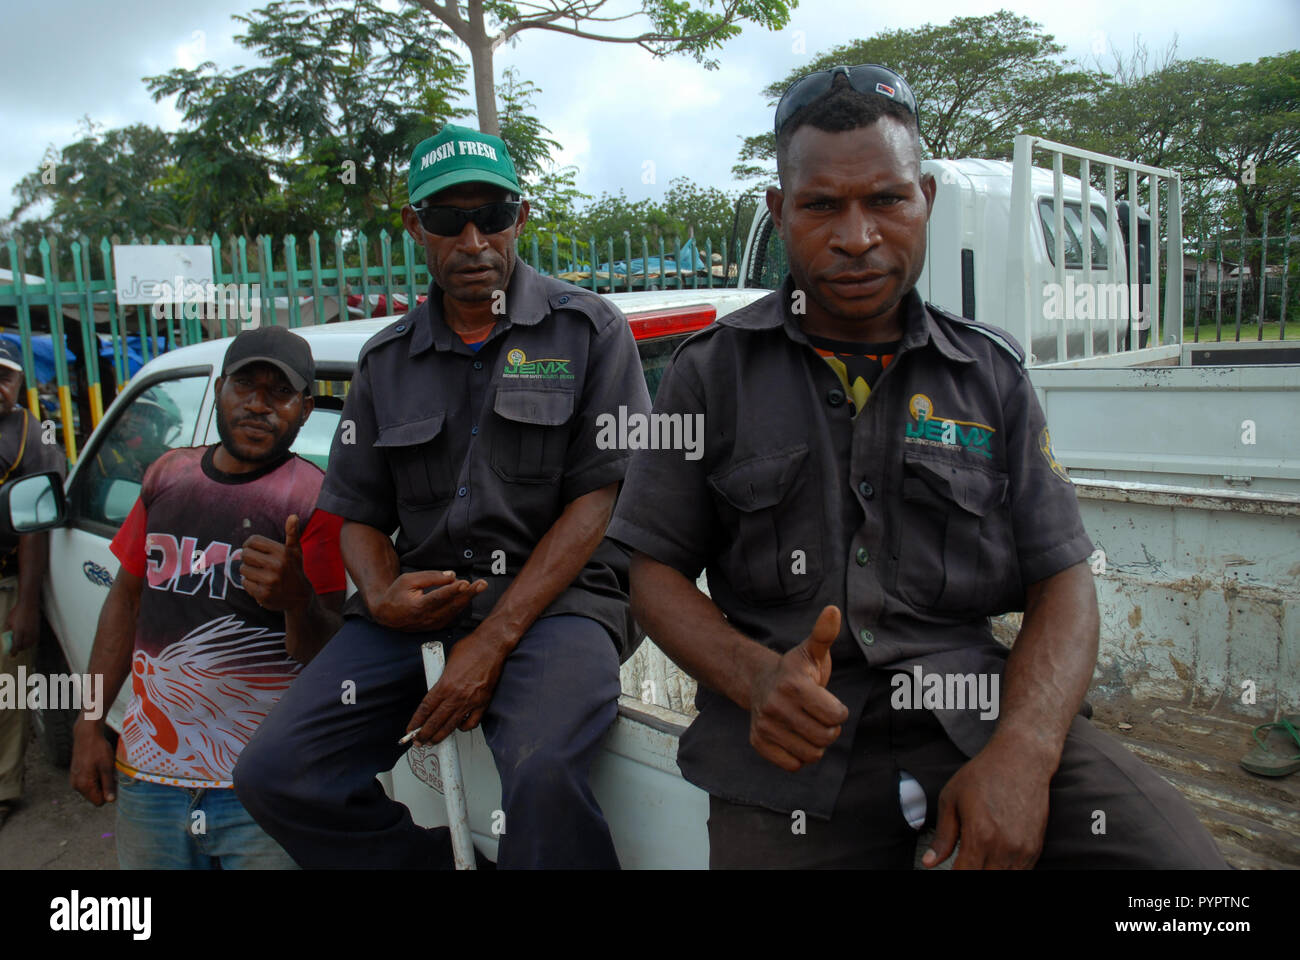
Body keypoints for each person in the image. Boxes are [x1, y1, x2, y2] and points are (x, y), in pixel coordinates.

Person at [607, 64, 1228, 869]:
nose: (857, 236)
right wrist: (753, 676)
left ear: (925, 199)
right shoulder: (710, 374)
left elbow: (1063, 579)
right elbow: (650, 568)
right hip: (790, 755)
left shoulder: (990, 375)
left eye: (887, 200)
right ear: (779, 212)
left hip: (976, 722)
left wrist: (1026, 755)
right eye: (822, 205)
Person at [233, 123, 651, 869]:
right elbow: (356, 510)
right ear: (413, 227)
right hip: (415, 612)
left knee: (544, 772)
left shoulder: (588, 331)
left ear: (521, 217)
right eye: (445, 219)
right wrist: (383, 590)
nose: (471, 239)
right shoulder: (386, 358)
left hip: (558, 608)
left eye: (490, 216)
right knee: (276, 774)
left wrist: (492, 640)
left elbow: (602, 500)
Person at [69, 326, 346, 868]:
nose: (259, 405)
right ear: (219, 389)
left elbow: (328, 657)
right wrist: (88, 723)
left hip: (259, 787)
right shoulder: (166, 477)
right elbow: (125, 603)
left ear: (306, 408)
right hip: (150, 777)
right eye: (246, 385)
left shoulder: (315, 501)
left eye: (281, 393)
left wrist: (297, 600)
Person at [0, 340, 67, 831]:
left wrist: (25, 603)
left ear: (19, 383)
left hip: (4, 583)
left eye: (4, 377)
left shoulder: (33, 436)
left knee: (7, 689)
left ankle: (4, 788)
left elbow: (37, 524)